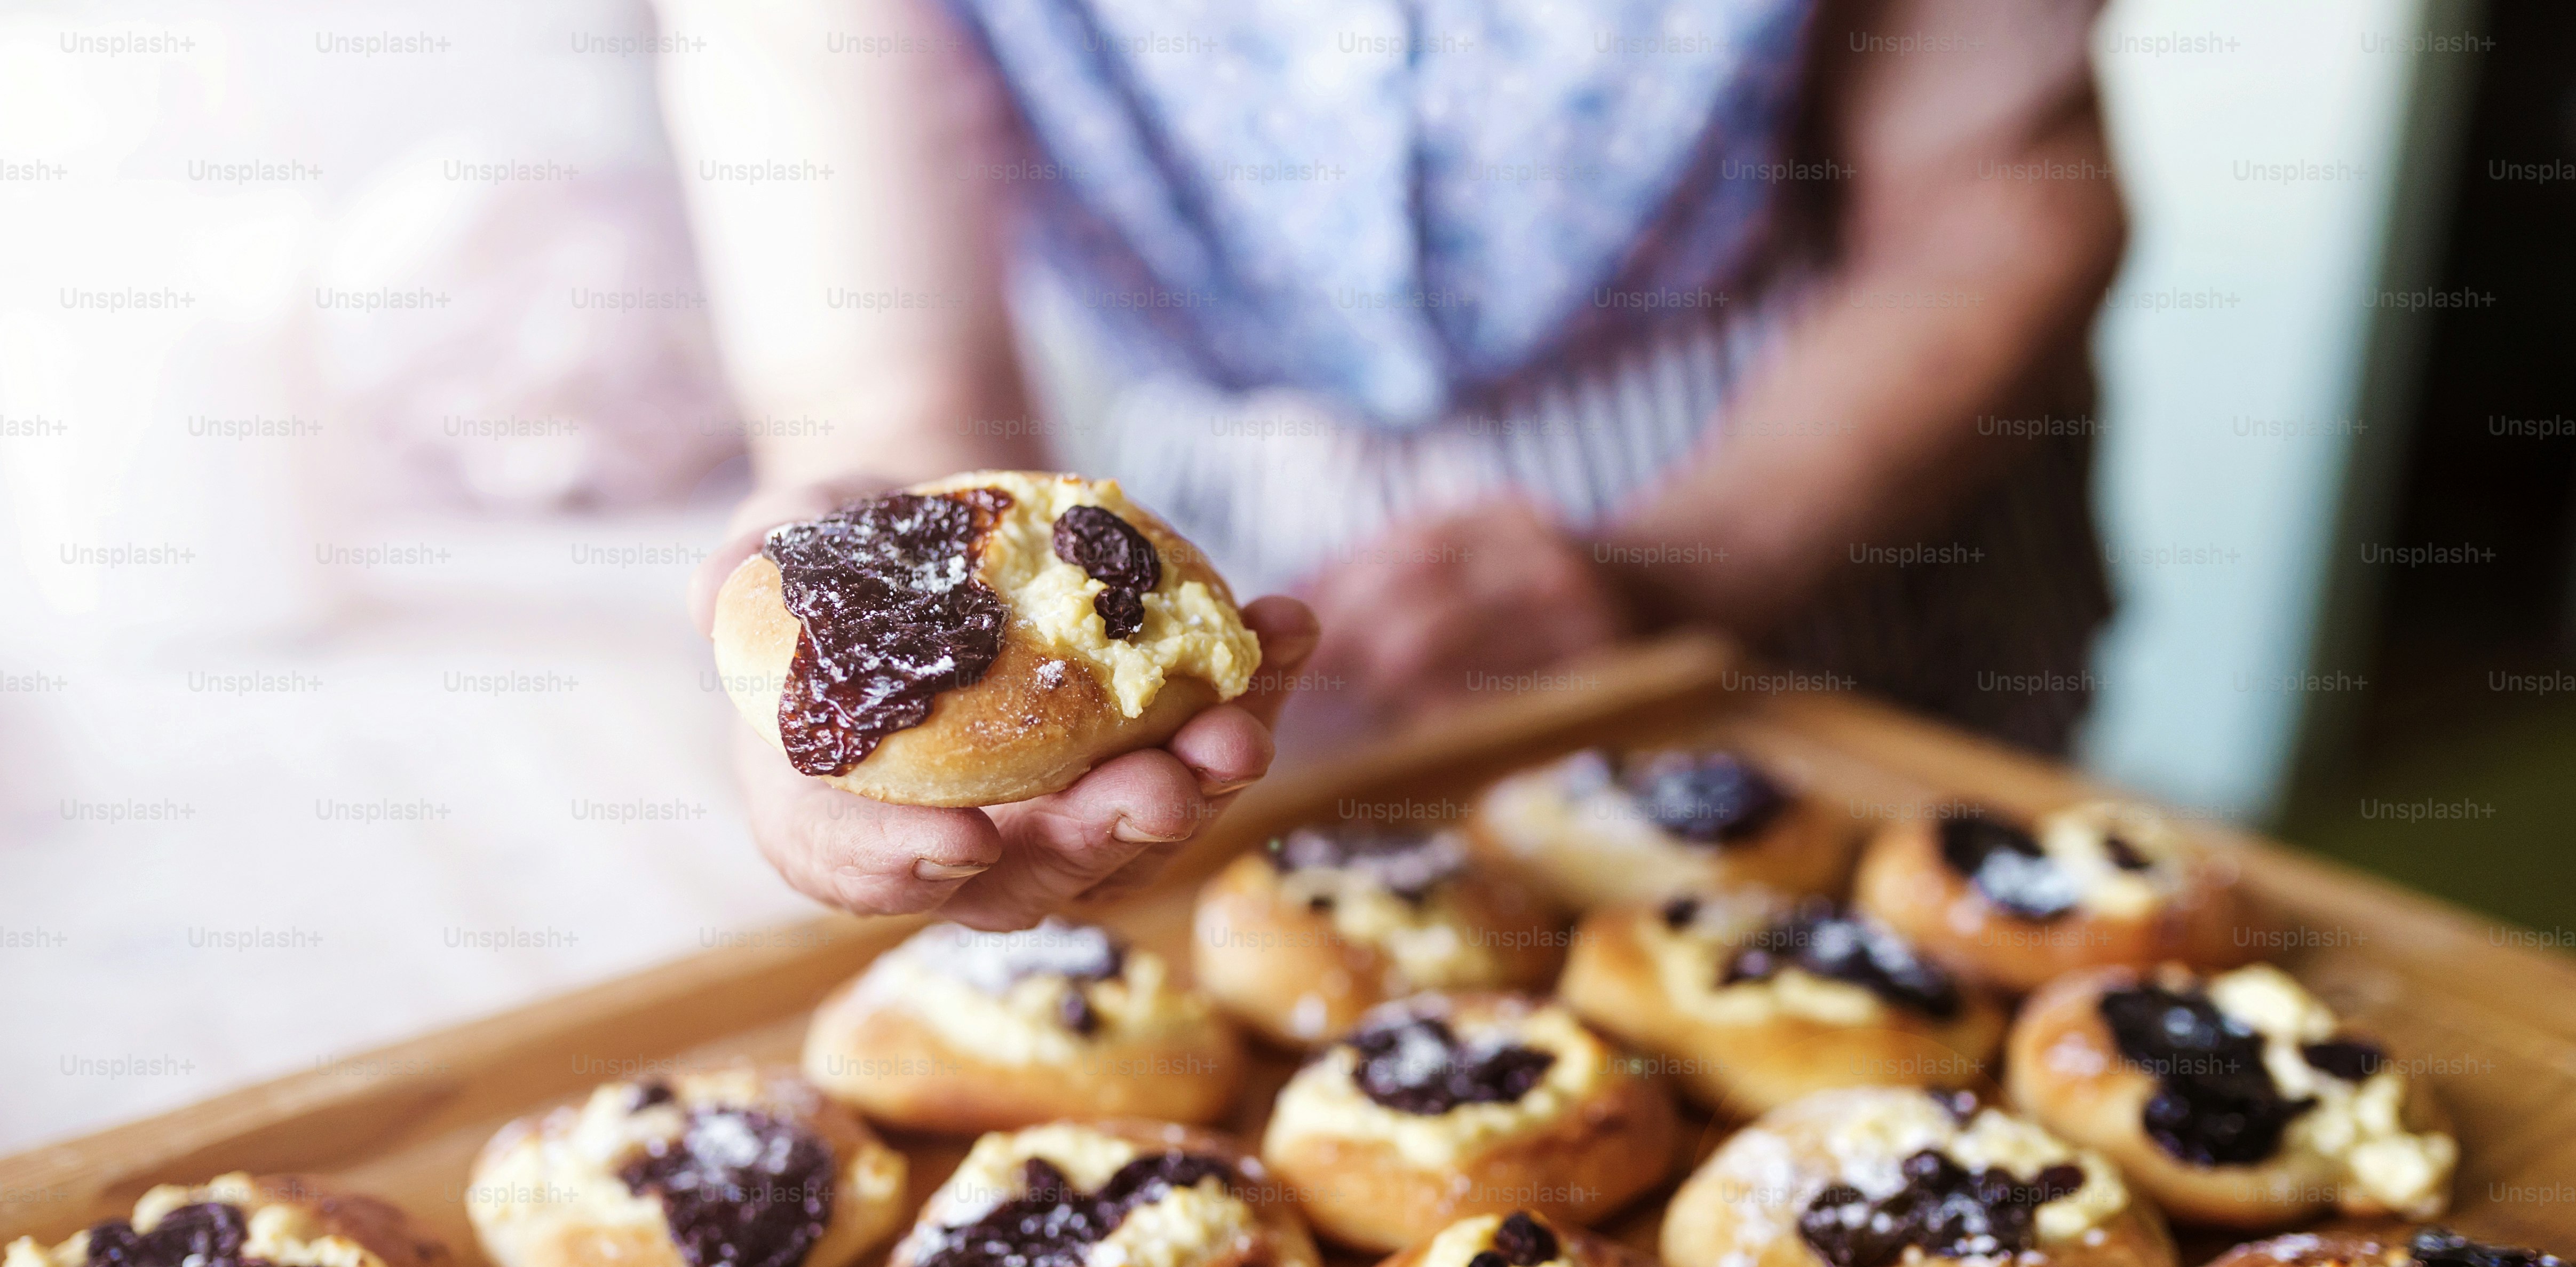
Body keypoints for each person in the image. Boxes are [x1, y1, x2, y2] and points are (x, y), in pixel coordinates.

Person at [666, 0, 2123, 927]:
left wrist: (1700, 557)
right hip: (1247, 527)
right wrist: (860, 589)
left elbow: (2005, 190)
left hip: (1815, 481)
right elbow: (879, 374)